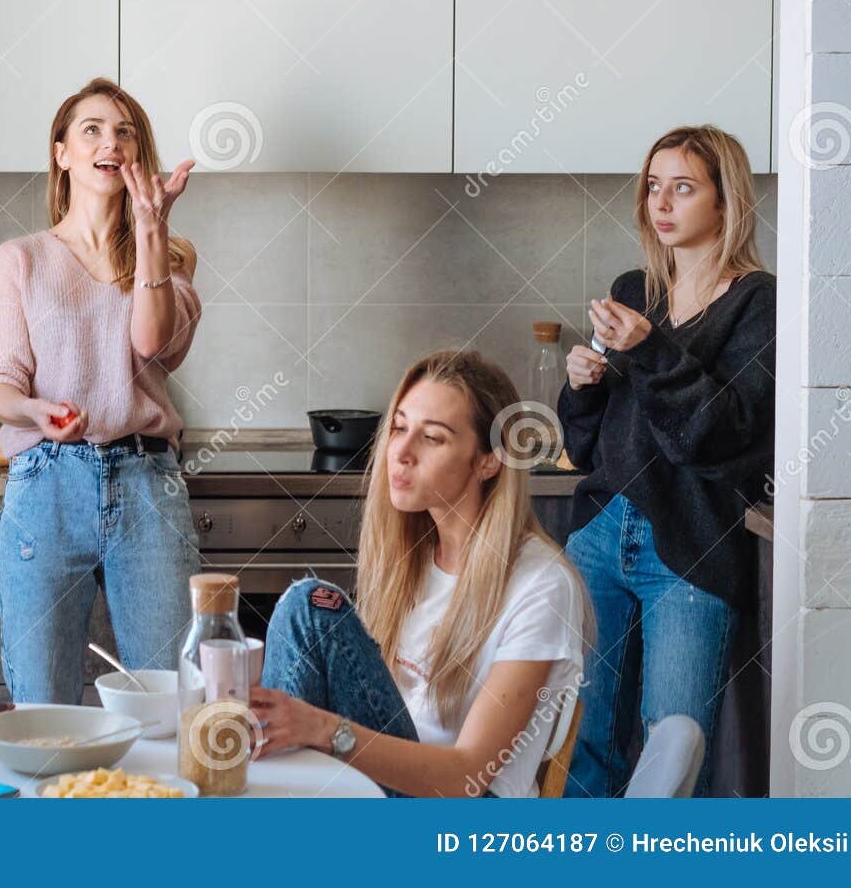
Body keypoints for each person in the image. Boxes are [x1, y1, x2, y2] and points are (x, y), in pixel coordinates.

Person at [252, 350, 589, 798]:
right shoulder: (412, 559)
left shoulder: (542, 585)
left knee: (309, 606)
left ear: (489, 461)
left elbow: (466, 779)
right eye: (398, 428)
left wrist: (323, 729)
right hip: (381, 790)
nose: (402, 452)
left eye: (432, 437)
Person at [559, 125, 774, 797]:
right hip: (600, 532)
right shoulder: (635, 288)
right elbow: (583, 443)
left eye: (683, 187)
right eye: (654, 186)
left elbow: (721, 436)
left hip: (693, 546)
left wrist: (650, 350)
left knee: (674, 746)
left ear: (725, 199)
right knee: (577, 738)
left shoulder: (760, 303)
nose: (661, 202)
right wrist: (581, 386)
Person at [0, 77, 202, 704]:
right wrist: (33, 411)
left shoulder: (172, 256)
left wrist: (152, 231)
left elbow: (153, 344)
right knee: (42, 707)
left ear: (139, 155)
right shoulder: (20, 259)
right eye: (93, 130)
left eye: (125, 132)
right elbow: (1, 384)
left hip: (147, 484)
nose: (111, 142)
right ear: (62, 153)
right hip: (45, 487)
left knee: (170, 704)